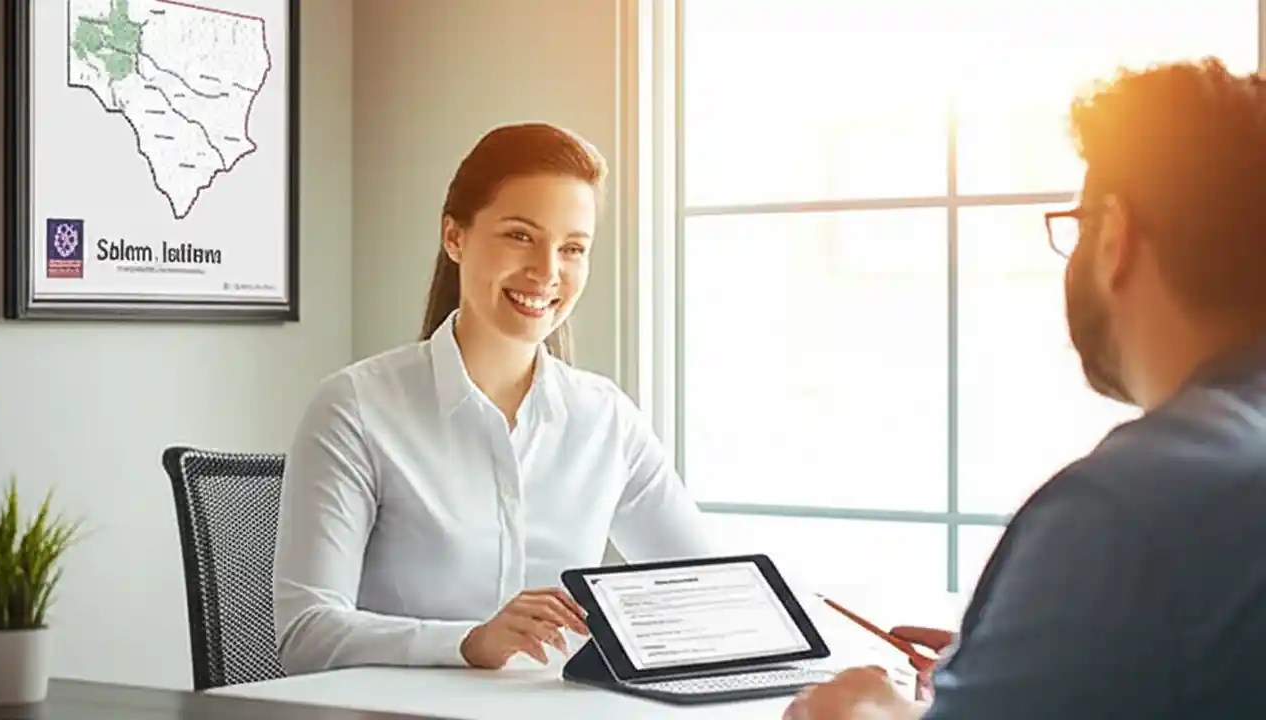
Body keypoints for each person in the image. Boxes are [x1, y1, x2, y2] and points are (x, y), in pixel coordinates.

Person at [785, 57, 1266, 719]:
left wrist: (869, 712)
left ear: (1116, 239)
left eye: (1079, 224)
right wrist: (1028, 662)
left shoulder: (1127, 511)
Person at [273, 122, 713, 674]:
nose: (547, 271)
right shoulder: (356, 408)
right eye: (520, 236)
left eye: (573, 248)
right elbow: (306, 634)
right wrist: (469, 642)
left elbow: (707, 588)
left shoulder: (607, 421)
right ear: (455, 237)